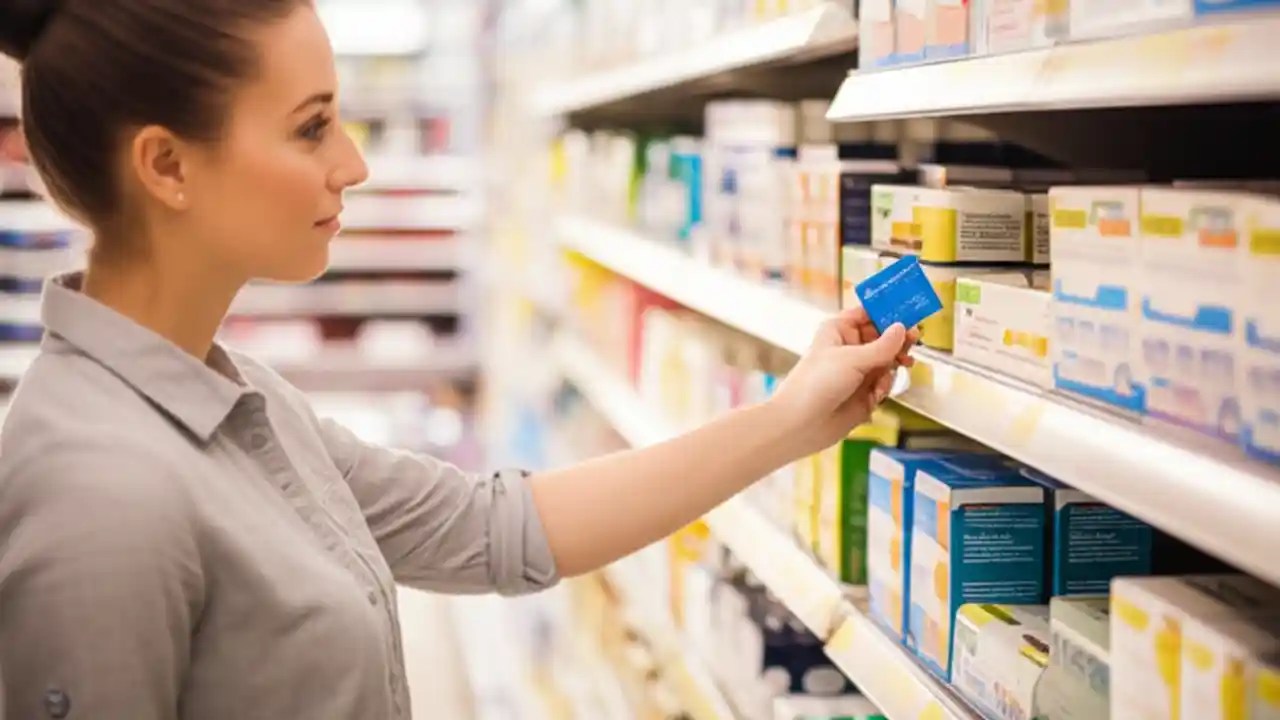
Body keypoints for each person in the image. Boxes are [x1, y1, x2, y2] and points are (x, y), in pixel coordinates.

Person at [0, 2, 918, 719]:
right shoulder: (96, 492)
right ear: (166, 166)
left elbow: (494, 529)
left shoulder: (242, 400)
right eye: (312, 126)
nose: (352, 163)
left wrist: (790, 418)